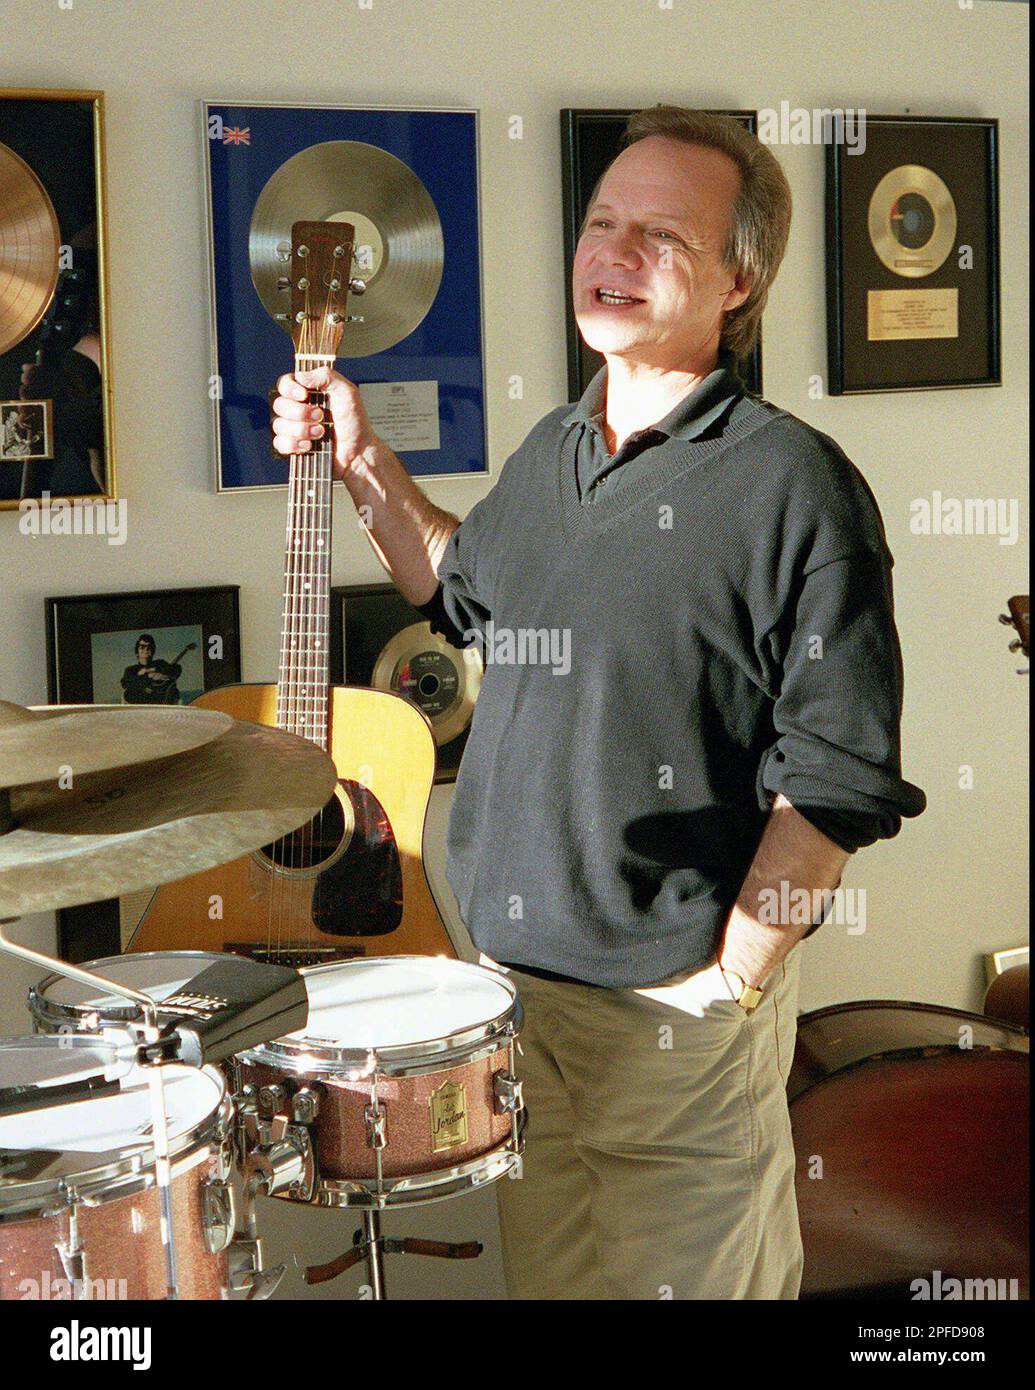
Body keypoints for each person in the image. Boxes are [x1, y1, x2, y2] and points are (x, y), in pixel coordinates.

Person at [270, 105, 926, 1300]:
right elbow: (458, 586)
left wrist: (731, 978)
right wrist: (362, 461)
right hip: (516, 1004)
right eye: (601, 222)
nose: (611, 251)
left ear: (740, 278)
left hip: (673, 1027)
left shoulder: (796, 486)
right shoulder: (553, 451)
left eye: (659, 234)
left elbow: (840, 780)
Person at [120, 635, 182, 704]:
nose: (146, 650)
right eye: (142, 647)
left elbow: (176, 669)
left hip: (160, 702)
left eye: (149, 647)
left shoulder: (160, 663)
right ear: (137, 651)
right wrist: (149, 676)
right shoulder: (131, 670)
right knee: (129, 693)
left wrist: (150, 670)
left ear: (153, 650)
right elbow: (126, 684)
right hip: (140, 704)